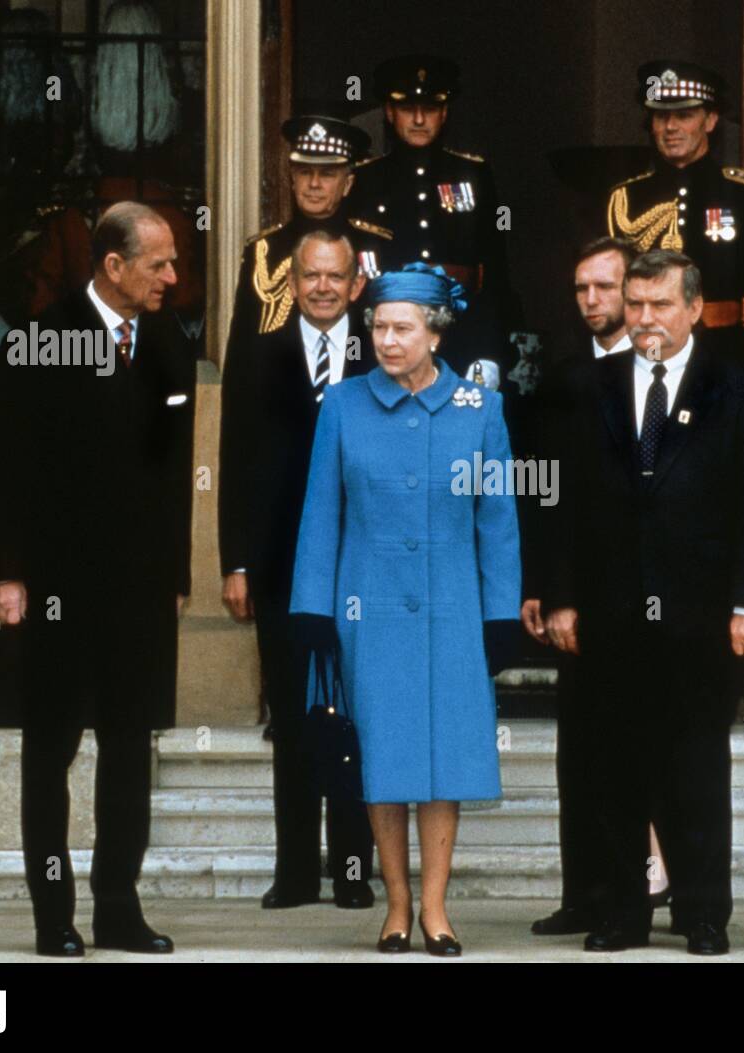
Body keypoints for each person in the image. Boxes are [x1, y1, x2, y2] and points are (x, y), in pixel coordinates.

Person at [0, 202, 195, 956]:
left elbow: (171, 474)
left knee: (131, 748)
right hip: (57, 589)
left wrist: (173, 573)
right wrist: (4, 577)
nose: (172, 276)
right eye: (159, 263)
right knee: (52, 750)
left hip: (138, 591)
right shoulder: (38, 340)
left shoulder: (166, 340)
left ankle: (118, 908)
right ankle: (53, 913)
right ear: (113, 266)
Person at [540, 250, 744, 955]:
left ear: (695, 308)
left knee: (696, 768)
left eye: (660, 305)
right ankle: (622, 912)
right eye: (635, 304)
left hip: (700, 616)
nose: (644, 319)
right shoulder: (587, 384)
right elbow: (557, 498)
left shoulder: (738, 384)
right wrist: (559, 598)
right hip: (609, 613)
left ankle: (702, 912)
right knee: (614, 767)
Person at [289, 263, 522, 956]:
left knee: (444, 759)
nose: (386, 341)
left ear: (435, 332)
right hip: (370, 607)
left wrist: (501, 614)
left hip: (453, 605)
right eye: (378, 327)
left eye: (402, 328)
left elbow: (497, 520)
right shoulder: (343, 405)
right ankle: (394, 905)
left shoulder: (481, 410)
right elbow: (320, 512)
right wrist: (313, 611)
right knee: (384, 757)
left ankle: (436, 908)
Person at [218, 229, 377, 910]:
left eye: (333, 276)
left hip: (364, 566)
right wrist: (237, 562)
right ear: (291, 280)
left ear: (355, 283)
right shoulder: (260, 354)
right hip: (282, 565)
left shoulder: (383, 352)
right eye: (309, 275)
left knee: (353, 716)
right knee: (292, 712)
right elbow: (236, 458)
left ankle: (350, 869)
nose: (321, 287)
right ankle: (293, 872)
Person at [522, 236, 633, 938]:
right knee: (581, 752)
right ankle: (583, 893)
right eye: (581, 289)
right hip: (577, 598)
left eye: (604, 287)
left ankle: (651, 892)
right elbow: (542, 495)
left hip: (653, 600)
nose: (591, 300)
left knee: (643, 751)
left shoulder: (671, 375)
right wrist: (545, 588)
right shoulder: (559, 381)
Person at [605, 60, 744, 397]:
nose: (671, 127)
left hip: (727, 362)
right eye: (661, 117)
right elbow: (612, 298)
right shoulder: (627, 199)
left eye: (684, 116)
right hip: (648, 364)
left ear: (710, 120)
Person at [350, 55, 516, 381]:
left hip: (460, 334)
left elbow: (494, 274)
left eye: (429, 109)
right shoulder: (365, 180)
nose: (418, 119)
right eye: (407, 109)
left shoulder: (474, 174)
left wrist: (491, 352)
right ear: (388, 112)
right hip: (384, 340)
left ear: (444, 113)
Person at [227, 107, 392, 356]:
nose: (314, 184)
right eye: (305, 172)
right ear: (292, 179)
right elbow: (242, 348)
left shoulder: (375, 246)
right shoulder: (263, 250)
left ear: (347, 184)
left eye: (327, 174)